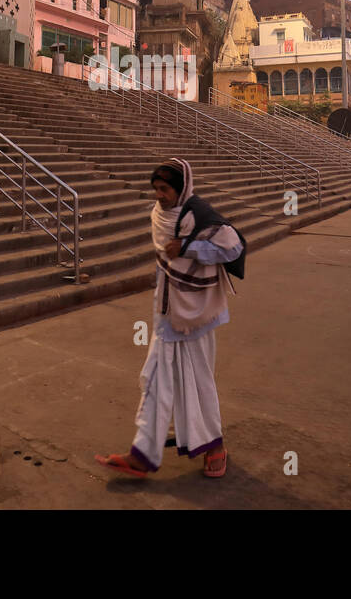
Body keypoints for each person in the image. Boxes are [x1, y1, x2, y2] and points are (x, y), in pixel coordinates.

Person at [96, 158, 243, 479]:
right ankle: (149, 452)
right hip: (167, 311)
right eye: (156, 189)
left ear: (182, 188)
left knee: (193, 380)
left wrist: (189, 248)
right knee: (158, 380)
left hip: (197, 314)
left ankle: (213, 447)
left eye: (165, 189)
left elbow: (233, 248)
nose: (159, 195)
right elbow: (166, 254)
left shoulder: (199, 214)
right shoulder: (159, 214)